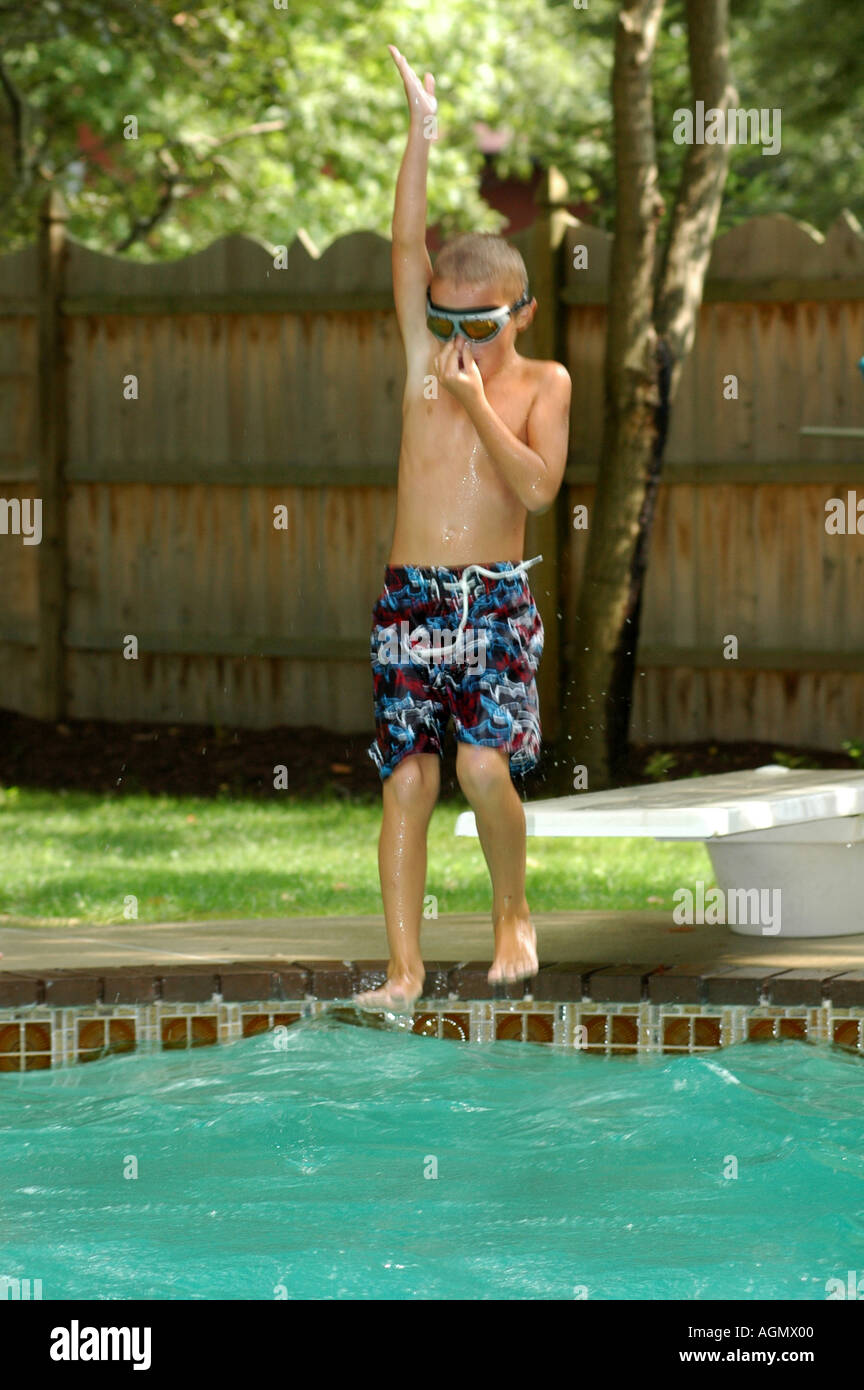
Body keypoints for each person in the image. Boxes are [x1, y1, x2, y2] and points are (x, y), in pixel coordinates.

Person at [355, 45, 571, 1012]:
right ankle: (404, 970)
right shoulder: (422, 361)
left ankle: (511, 912)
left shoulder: (542, 384)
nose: (456, 345)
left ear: (520, 314)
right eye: (444, 324)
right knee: (407, 780)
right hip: (411, 596)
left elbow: (534, 488)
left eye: (479, 327)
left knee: (483, 764)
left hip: (491, 597)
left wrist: (481, 404)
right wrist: (422, 133)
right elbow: (407, 249)